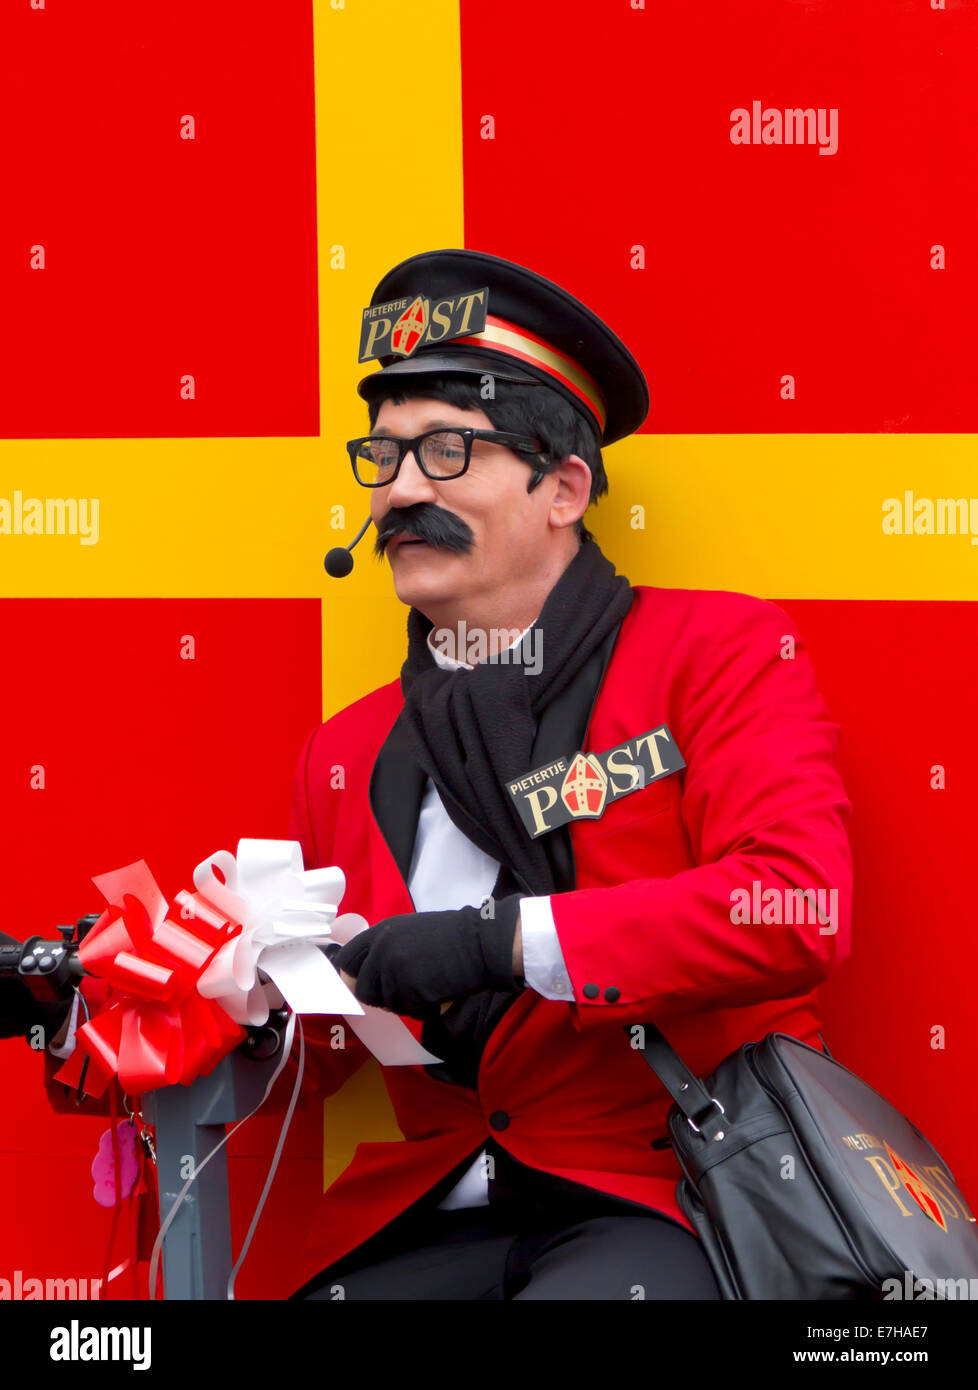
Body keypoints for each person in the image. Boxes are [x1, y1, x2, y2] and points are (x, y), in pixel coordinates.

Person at [287, 248, 853, 1300]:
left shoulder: (715, 653)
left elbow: (796, 907)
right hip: (436, 1207)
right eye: (384, 456)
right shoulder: (345, 749)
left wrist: (498, 941)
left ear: (562, 488)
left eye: (446, 450)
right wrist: (188, 997)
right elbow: (327, 1048)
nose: (399, 491)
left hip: (673, 1192)